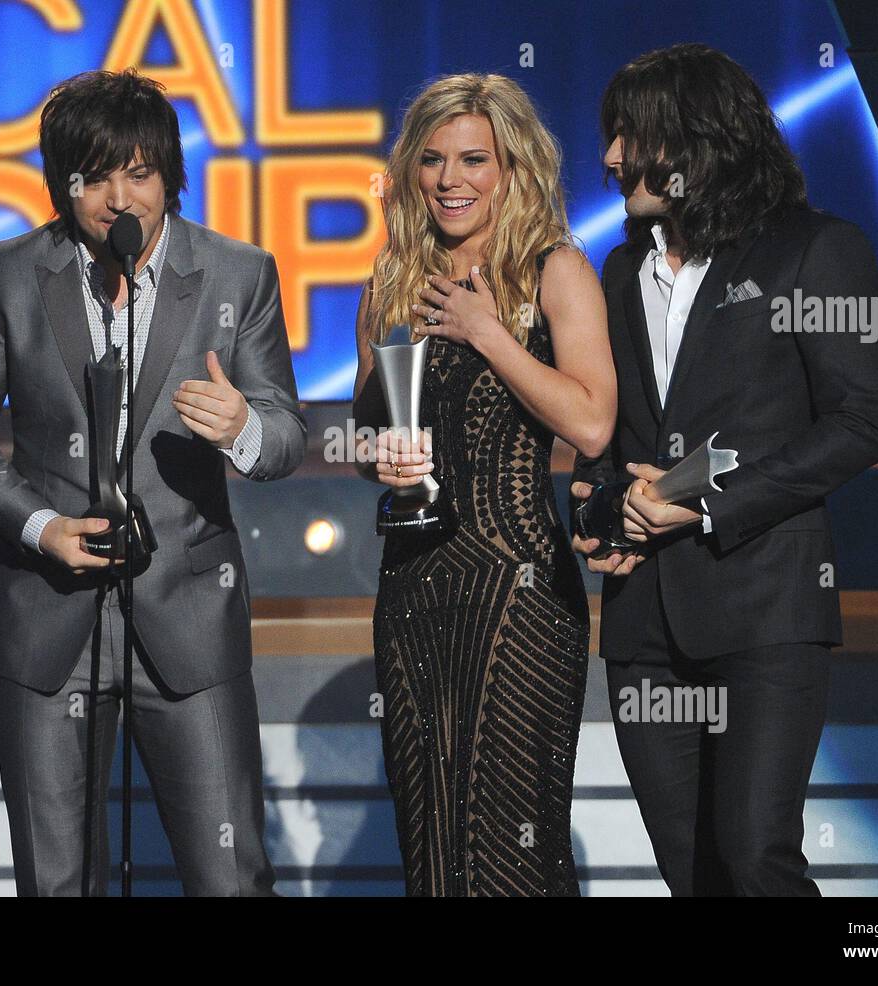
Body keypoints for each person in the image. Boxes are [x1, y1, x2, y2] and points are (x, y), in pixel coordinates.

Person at [0, 69, 305, 896]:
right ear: (63, 184)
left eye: (139, 172)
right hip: (46, 620)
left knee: (230, 876)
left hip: (190, 621)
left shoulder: (240, 275)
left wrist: (243, 427)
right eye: (93, 176)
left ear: (169, 173)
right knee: (58, 883)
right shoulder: (6, 273)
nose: (118, 198)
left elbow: (287, 437)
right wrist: (37, 526)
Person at [571, 44, 878, 896]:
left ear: (699, 141)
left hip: (767, 608)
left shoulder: (815, 250)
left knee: (756, 861)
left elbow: (861, 424)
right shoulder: (613, 268)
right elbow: (613, 441)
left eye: (631, 135)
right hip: (644, 624)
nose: (609, 158)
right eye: (611, 135)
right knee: (695, 876)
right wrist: (604, 509)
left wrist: (709, 508)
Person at [351, 73, 617, 896]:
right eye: (431, 160)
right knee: (430, 843)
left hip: (520, 589)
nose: (449, 179)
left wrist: (487, 334)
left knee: (511, 847)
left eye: (473, 159)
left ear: (513, 169)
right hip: (414, 585)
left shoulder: (556, 271)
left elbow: (592, 423)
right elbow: (370, 432)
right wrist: (379, 458)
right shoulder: (389, 284)